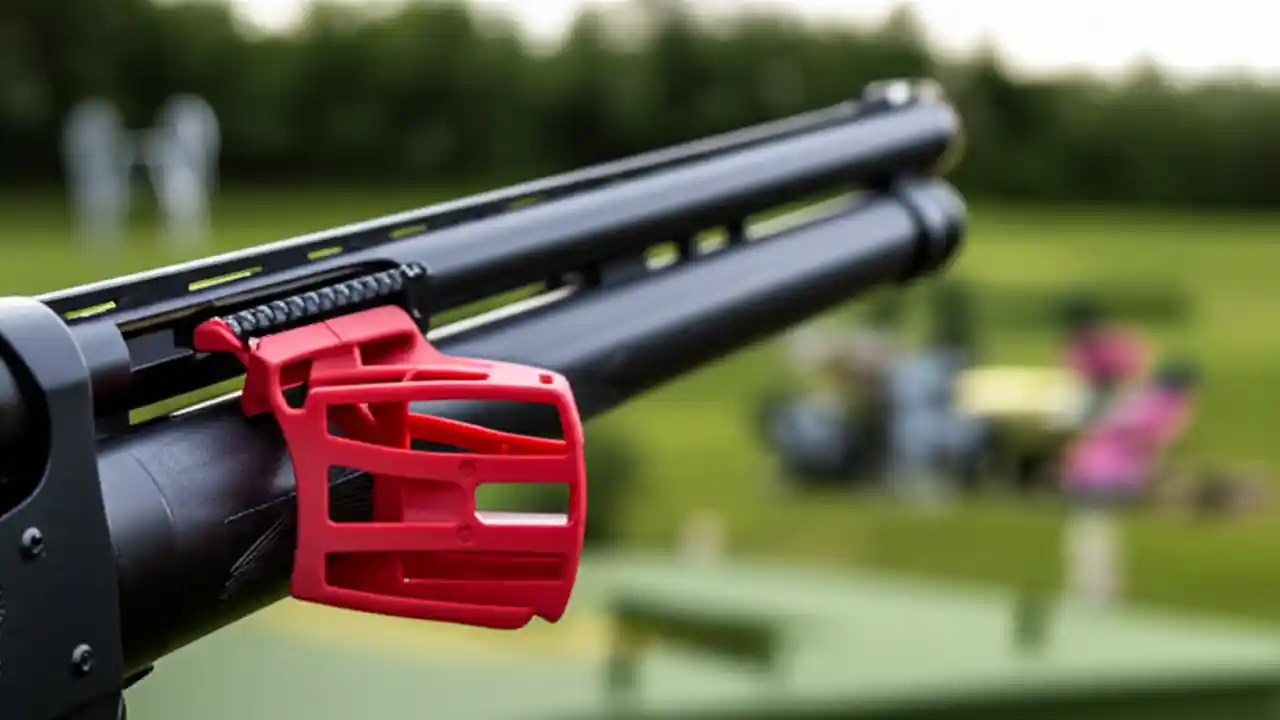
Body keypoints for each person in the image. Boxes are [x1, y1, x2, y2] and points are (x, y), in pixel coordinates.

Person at [1060, 361, 1199, 608]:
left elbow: (1120, 430)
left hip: (1099, 472)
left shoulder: (1145, 400)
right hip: (1108, 474)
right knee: (1096, 531)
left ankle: (1093, 592)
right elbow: (1144, 440)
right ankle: (1096, 592)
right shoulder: (1166, 406)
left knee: (1092, 530)